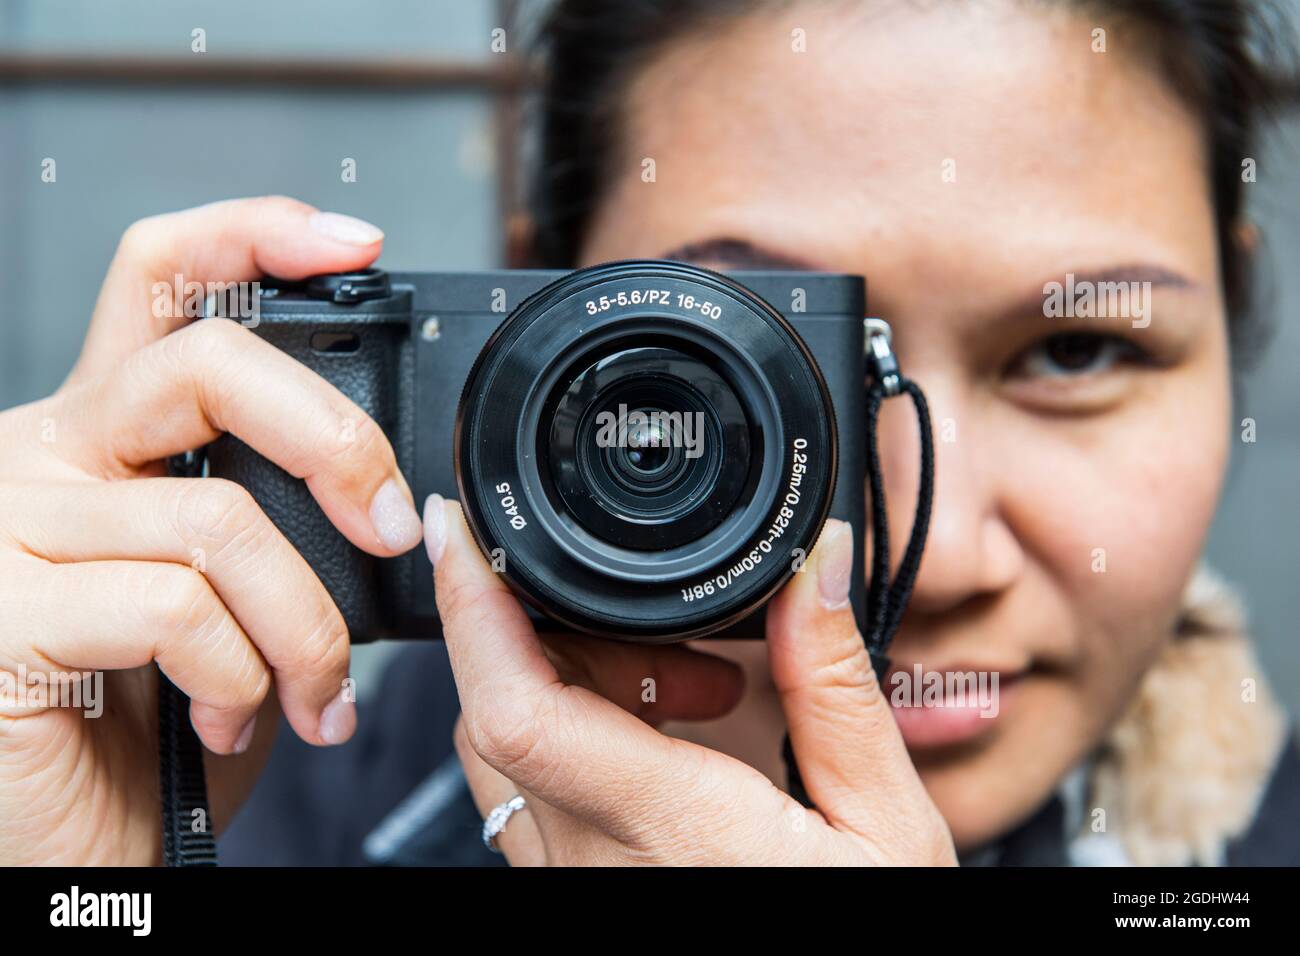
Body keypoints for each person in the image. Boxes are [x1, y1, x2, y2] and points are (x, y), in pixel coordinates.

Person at [1, 0, 1296, 866]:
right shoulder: (240, 809)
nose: (938, 555)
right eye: (739, 355)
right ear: (522, 316)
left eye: (1079, 349)